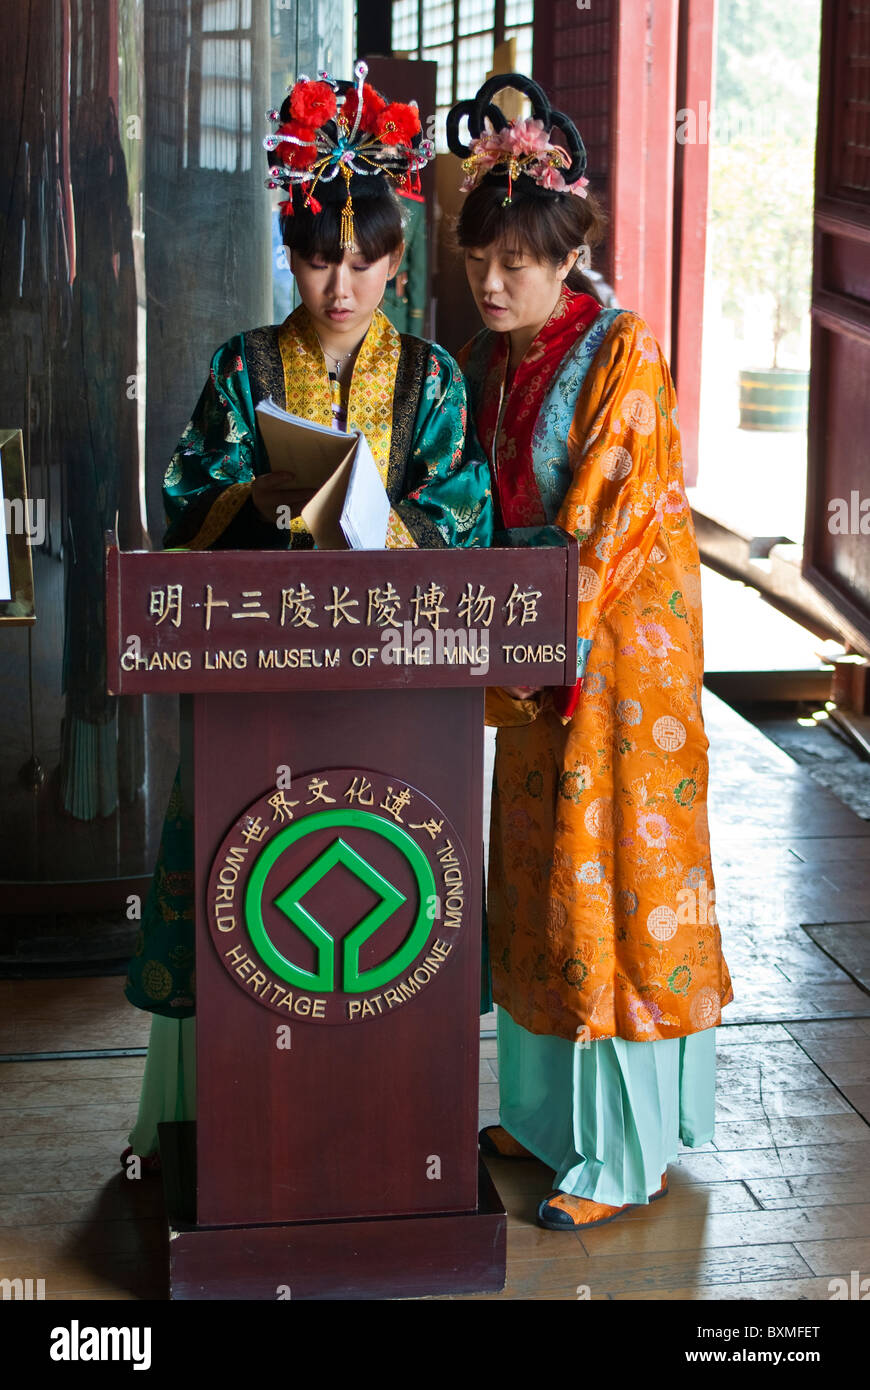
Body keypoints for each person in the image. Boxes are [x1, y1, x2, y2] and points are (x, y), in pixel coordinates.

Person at [122, 64, 493, 1167]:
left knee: (388, 878)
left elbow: (461, 510)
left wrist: (379, 523)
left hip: (395, 680)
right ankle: (216, 1135)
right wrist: (268, 504)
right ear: (291, 253)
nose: (342, 283)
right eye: (321, 257)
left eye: (365, 261)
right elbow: (190, 496)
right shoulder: (242, 367)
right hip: (259, 677)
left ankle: (391, 1139)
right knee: (244, 881)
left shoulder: (432, 378)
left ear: (396, 261)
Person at [447, 75, 734, 1230]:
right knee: (532, 873)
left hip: (614, 659)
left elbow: (609, 517)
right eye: (479, 260)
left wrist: (528, 640)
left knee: (610, 882)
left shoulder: (623, 350)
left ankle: (624, 1152)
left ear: (569, 257)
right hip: (534, 647)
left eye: (517, 262)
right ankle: (542, 1113)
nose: (493, 282)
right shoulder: (491, 361)